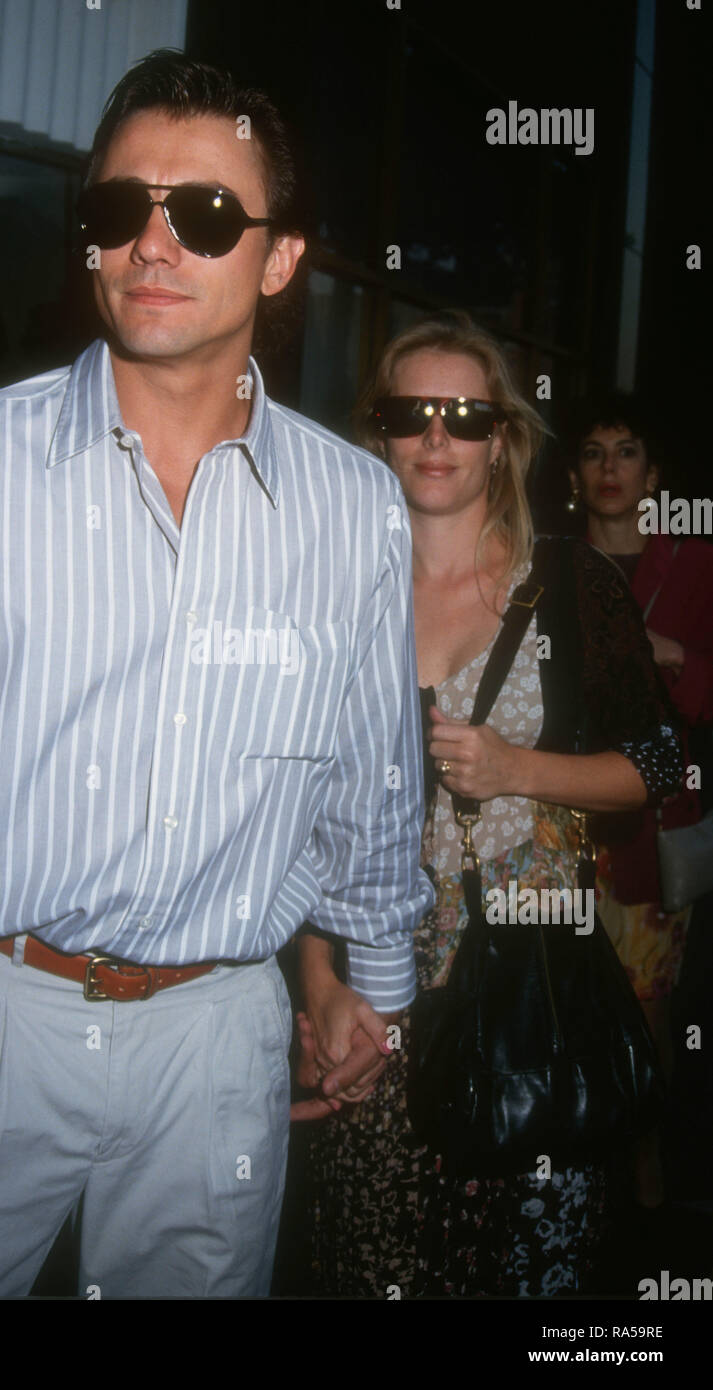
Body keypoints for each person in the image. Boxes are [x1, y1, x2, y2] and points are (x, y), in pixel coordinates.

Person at [0, 50, 433, 1298]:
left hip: (218, 1033)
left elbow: (371, 772)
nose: (153, 244)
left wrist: (375, 989)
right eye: (117, 210)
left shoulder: (355, 506)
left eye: (204, 215)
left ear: (279, 257)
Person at [293, 314, 682, 1297]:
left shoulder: (567, 584)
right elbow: (297, 816)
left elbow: (654, 764)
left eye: (464, 416)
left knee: (527, 1269)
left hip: (528, 993)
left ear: (501, 437)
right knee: (374, 1265)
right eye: (408, 413)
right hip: (376, 996)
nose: (435, 438)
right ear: (375, 432)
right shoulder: (335, 595)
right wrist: (318, 982)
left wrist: (517, 767)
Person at [567, 396, 713, 1207]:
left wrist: (668, 653)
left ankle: (645, 1161)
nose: (610, 468)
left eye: (626, 453)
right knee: (560, 997)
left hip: (652, 837)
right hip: (557, 828)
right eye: (593, 453)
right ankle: (570, 1158)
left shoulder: (692, 566)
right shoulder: (547, 563)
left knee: (646, 1009)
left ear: (652, 476)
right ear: (574, 474)